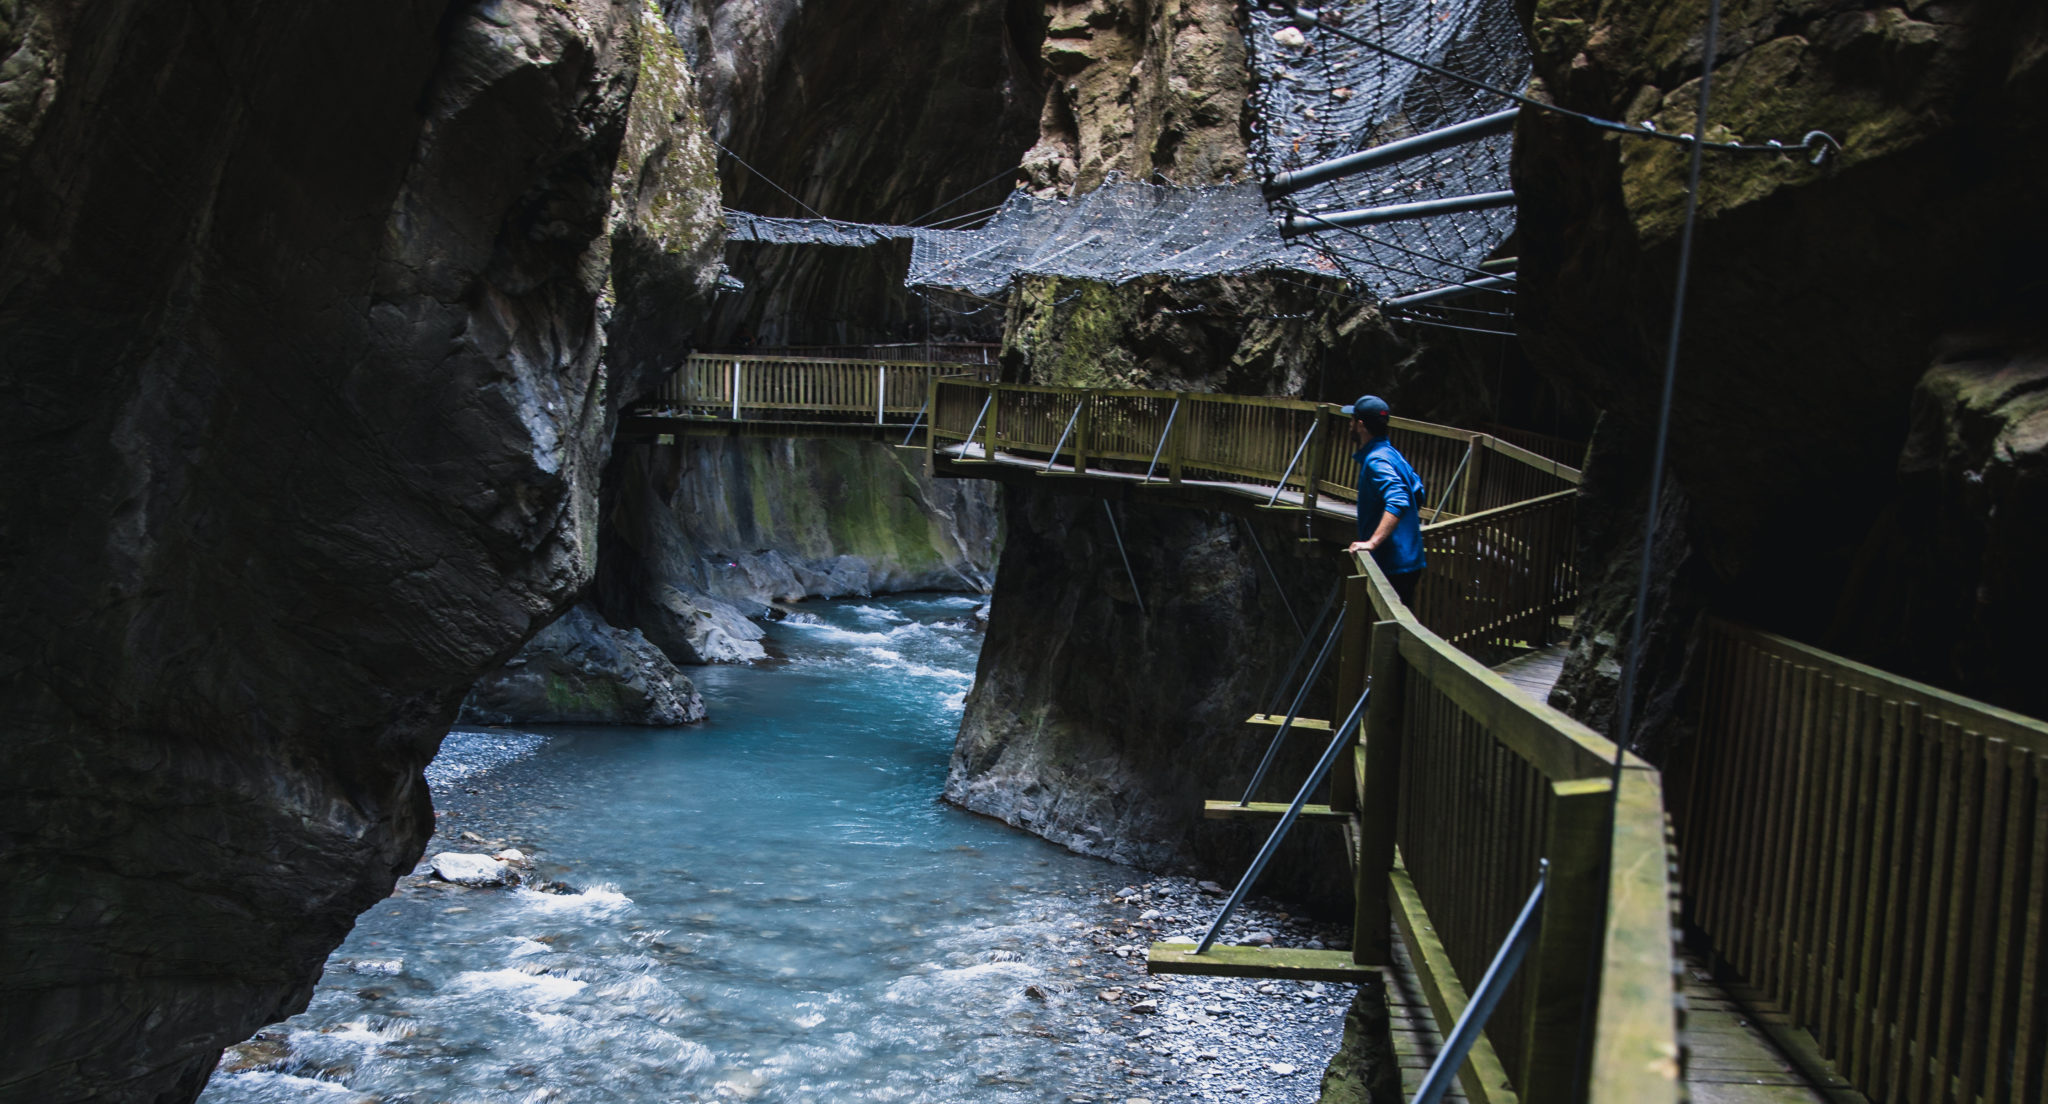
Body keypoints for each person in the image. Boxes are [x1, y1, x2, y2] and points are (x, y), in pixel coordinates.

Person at [1342, 394, 1428, 608]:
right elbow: (1418, 493)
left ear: (1360, 425)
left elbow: (1398, 499)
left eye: (1352, 420)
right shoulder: (1391, 454)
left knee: (1386, 623)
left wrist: (1372, 542)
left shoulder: (1376, 460)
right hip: (1410, 559)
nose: (1349, 424)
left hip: (1392, 564)